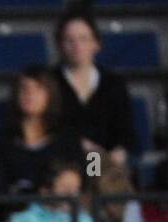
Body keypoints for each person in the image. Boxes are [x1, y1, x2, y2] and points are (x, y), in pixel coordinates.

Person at [0, 67, 85, 222]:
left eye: (38, 88)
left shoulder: (69, 140)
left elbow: (88, 175)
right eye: (24, 88)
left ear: (50, 95)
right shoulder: (1, 144)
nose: (30, 94)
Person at [50, 9, 137, 169]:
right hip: (65, 163)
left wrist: (118, 153)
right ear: (60, 45)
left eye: (83, 39)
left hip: (109, 166)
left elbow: (126, 132)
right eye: (69, 40)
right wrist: (81, 147)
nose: (77, 46)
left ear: (96, 44)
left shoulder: (114, 83)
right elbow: (49, 130)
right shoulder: (50, 83)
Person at [6, 160, 94, 222]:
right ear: (45, 191)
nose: (72, 194)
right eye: (65, 188)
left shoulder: (83, 221)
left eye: (76, 188)